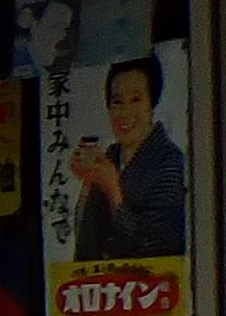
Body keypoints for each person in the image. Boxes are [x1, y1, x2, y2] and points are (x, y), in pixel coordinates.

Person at [71, 55, 188, 262]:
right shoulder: (110, 157)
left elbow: (159, 249)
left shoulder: (169, 161)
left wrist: (113, 190)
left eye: (135, 99)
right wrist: (88, 183)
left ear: (152, 104)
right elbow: (85, 248)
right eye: (117, 102)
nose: (125, 112)